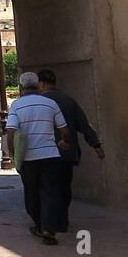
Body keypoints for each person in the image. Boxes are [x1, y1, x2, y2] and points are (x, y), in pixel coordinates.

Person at [4, 71, 72, 244]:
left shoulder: (16, 106)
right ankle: (48, 228)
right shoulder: (51, 104)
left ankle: (41, 225)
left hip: (28, 159)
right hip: (50, 155)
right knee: (51, 193)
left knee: (32, 194)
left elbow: (10, 132)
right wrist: (65, 142)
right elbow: (64, 130)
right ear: (38, 85)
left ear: (21, 87)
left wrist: (13, 155)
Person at [38, 68, 104, 224]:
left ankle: (50, 222)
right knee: (64, 186)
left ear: (41, 84)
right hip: (67, 152)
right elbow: (84, 124)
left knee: (48, 188)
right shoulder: (68, 100)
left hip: (46, 153)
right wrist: (96, 145)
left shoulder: (41, 103)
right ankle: (62, 218)